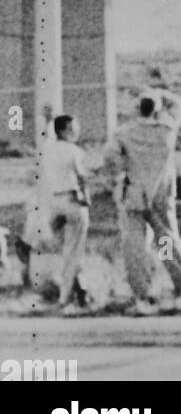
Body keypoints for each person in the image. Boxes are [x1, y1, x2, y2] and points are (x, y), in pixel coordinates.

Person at [104, 88, 181, 313]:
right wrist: (158, 93)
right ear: (157, 110)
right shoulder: (167, 130)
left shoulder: (124, 132)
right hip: (161, 194)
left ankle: (142, 291)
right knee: (166, 238)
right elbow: (178, 105)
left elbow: (109, 158)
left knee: (134, 243)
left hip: (133, 193)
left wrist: (121, 174)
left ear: (137, 109)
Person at [39, 115, 90, 310]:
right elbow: (81, 176)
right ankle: (65, 297)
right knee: (74, 251)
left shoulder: (48, 149)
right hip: (72, 199)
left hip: (54, 202)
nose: (75, 131)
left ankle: (81, 290)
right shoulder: (73, 151)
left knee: (66, 251)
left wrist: (47, 118)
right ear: (62, 131)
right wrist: (86, 197)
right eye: (71, 128)